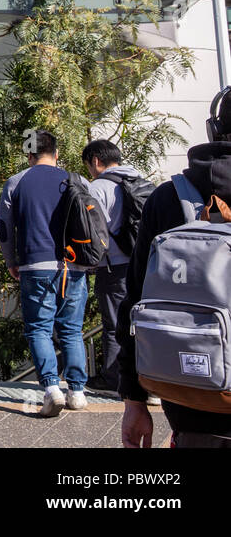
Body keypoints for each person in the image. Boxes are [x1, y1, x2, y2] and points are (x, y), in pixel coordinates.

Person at [120, 88, 231, 448]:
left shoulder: (169, 197)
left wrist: (134, 400)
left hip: (189, 399)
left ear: (214, 130)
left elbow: (135, 297)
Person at [0, 130, 87, 417]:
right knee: (72, 329)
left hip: (34, 266)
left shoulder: (17, 182)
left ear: (29, 155)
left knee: (39, 329)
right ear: (57, 153)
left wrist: (11, 260)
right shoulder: (77, 180)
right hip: (73, 265)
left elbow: (4, 228)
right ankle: (77, 392)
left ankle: (51, 389)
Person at [82, 139, 143, 395]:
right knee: (138, 322)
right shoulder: (139, 179)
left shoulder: (98, 188)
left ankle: (114, 379)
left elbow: (97, 232)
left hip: (114, 266)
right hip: (141, 264)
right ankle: (145, 377)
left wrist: (91, 261)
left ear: (96, 161)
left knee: (114, 324)